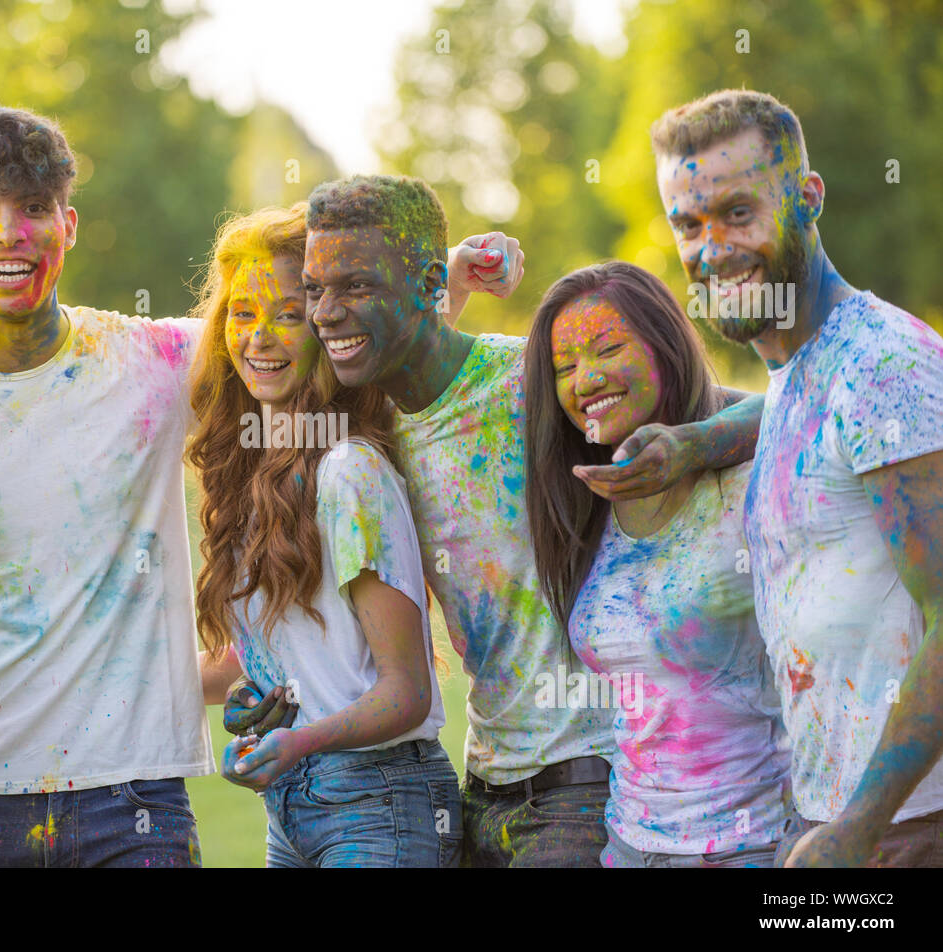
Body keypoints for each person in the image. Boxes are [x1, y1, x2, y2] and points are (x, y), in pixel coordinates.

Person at [0, 103, 511, 867]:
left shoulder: (143, 360)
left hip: (135, 802)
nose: (11, 234)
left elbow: (321, 329)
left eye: (34, 209)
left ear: (68, 225)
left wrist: (440, 285)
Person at [300, 173, 766, 866]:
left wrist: (687, 447)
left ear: (426, 285)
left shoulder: (535, 382)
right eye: (315, 290)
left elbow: (768, 407)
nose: (326, 313)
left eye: (356, 288)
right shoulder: (372, 432)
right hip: (481, 784)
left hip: (584, 780)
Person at [652, 89, 943, 867]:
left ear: (808, 199)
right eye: (688, 223)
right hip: (823, 815)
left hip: (906, 829)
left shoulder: (883, 363)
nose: (712, 250)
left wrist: (861, 825)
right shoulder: (802, 369)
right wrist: (696, 442)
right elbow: (810, 422)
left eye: (739, 213)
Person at [190, 204, 461, 867]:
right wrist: (254, 690)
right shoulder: (250, 473)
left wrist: (300, 740)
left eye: (286, 314)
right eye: (242, 314)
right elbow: (294, 657)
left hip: (382, 804)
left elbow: (407, 692)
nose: (260, 337)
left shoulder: (348, 473)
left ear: (324, 327)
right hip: (294, 807)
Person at [524, 261, 790, 867]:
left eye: (608, 349)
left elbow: (814, 398)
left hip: (751, 842)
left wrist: (696, 443)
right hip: (630, 844)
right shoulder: (589, 505)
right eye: (565, 368)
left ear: (666, 348)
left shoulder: (748, 485)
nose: (585, 379)